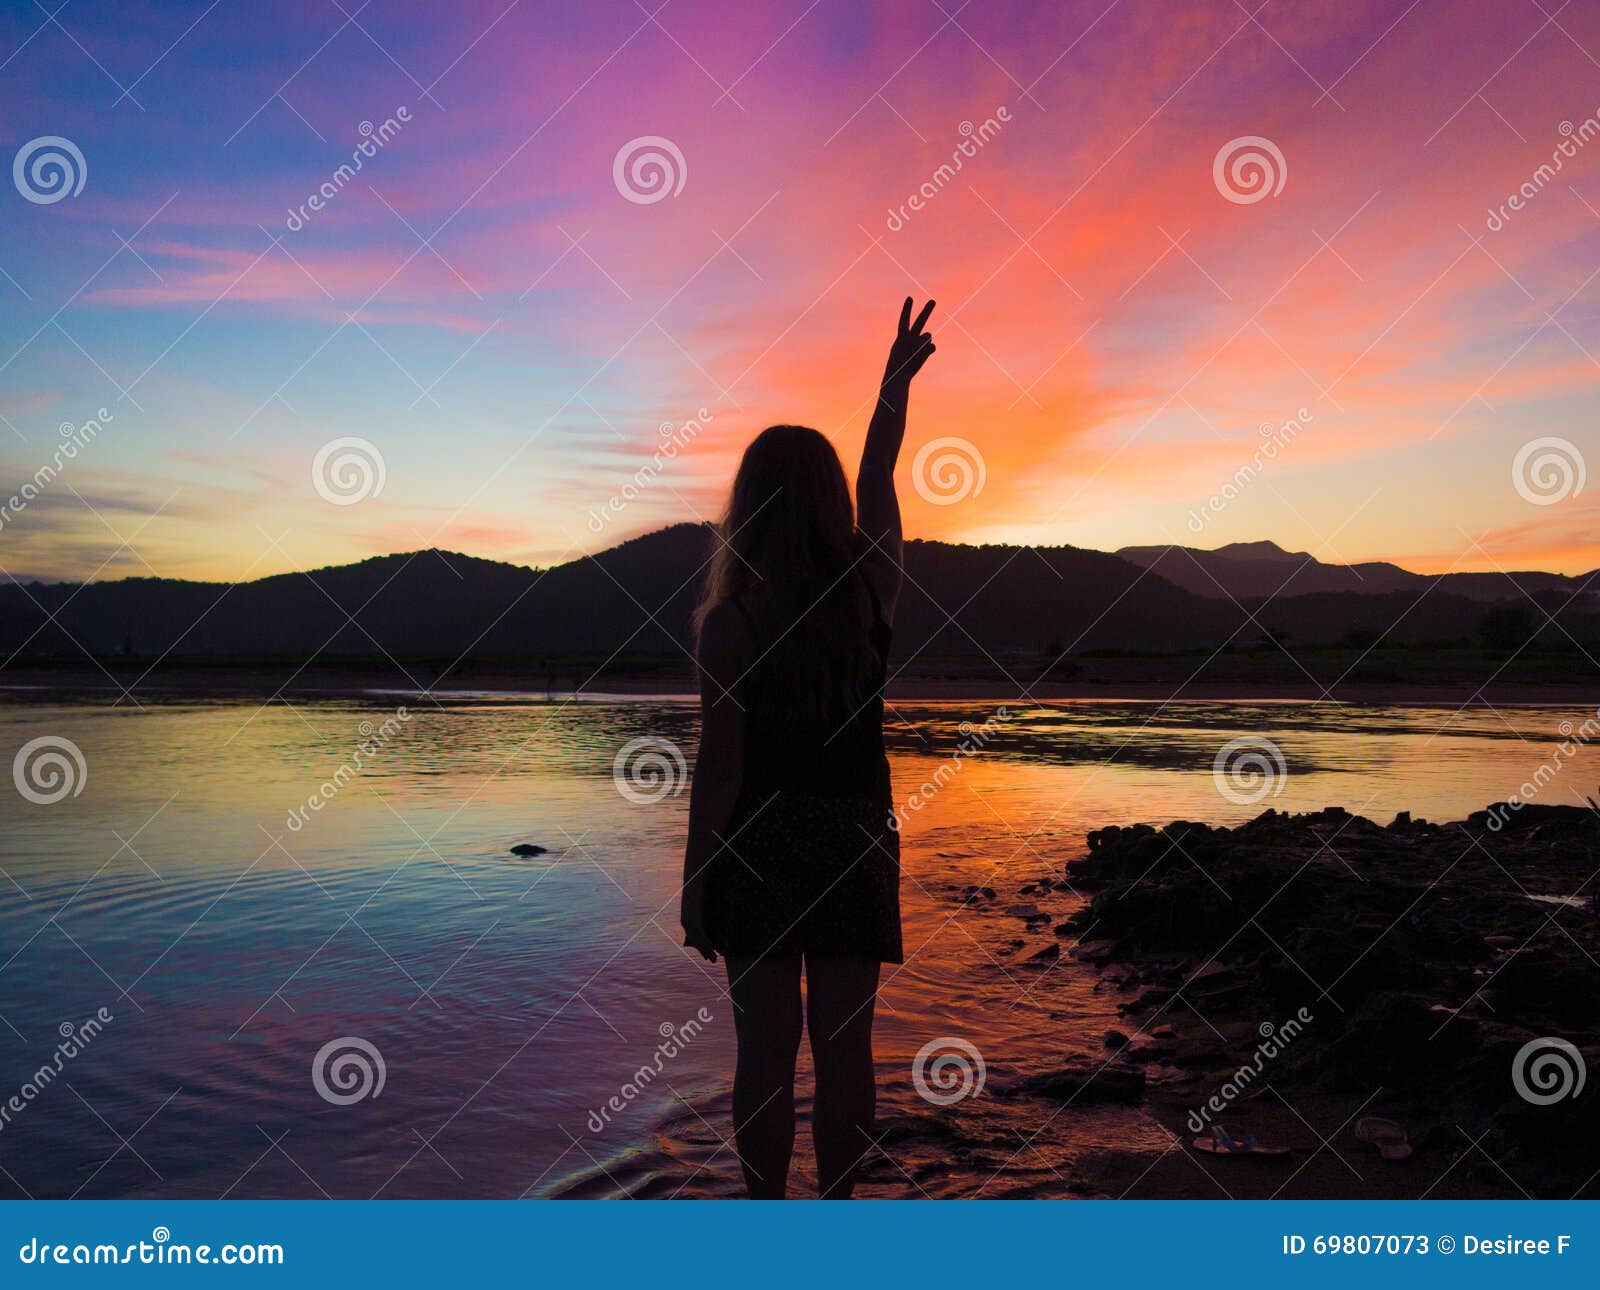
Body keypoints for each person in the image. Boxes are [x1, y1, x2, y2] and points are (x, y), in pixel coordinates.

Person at [679, 297, 937, 1199]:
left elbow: (721, 769)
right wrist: (889, 400)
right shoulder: (872, 590)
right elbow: (880, 489)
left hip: (760, 845)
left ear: (747, 506)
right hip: (855, 842)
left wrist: (694, 882)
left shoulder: (731, 623)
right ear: (828, 503)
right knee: (845, 1047)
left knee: (763, 1050)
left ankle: (764, 1222)